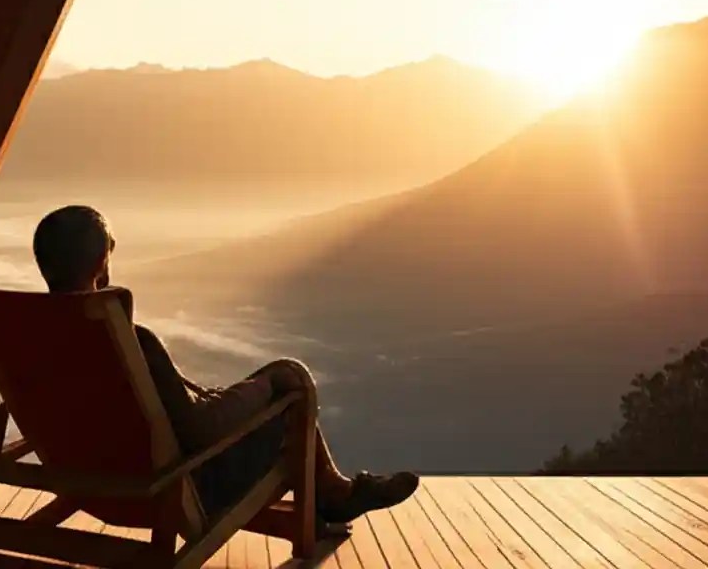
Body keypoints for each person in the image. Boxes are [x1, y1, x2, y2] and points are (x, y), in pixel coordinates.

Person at [31, 204, 419, 526]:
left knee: (277, 380)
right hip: (174, 488)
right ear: (101, 261)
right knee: (291, 384)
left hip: (86, 481)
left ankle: (334, 491)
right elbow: (199, 431)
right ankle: (335, 495)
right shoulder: (132, 342)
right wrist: (267, 385)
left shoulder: (29, 332)